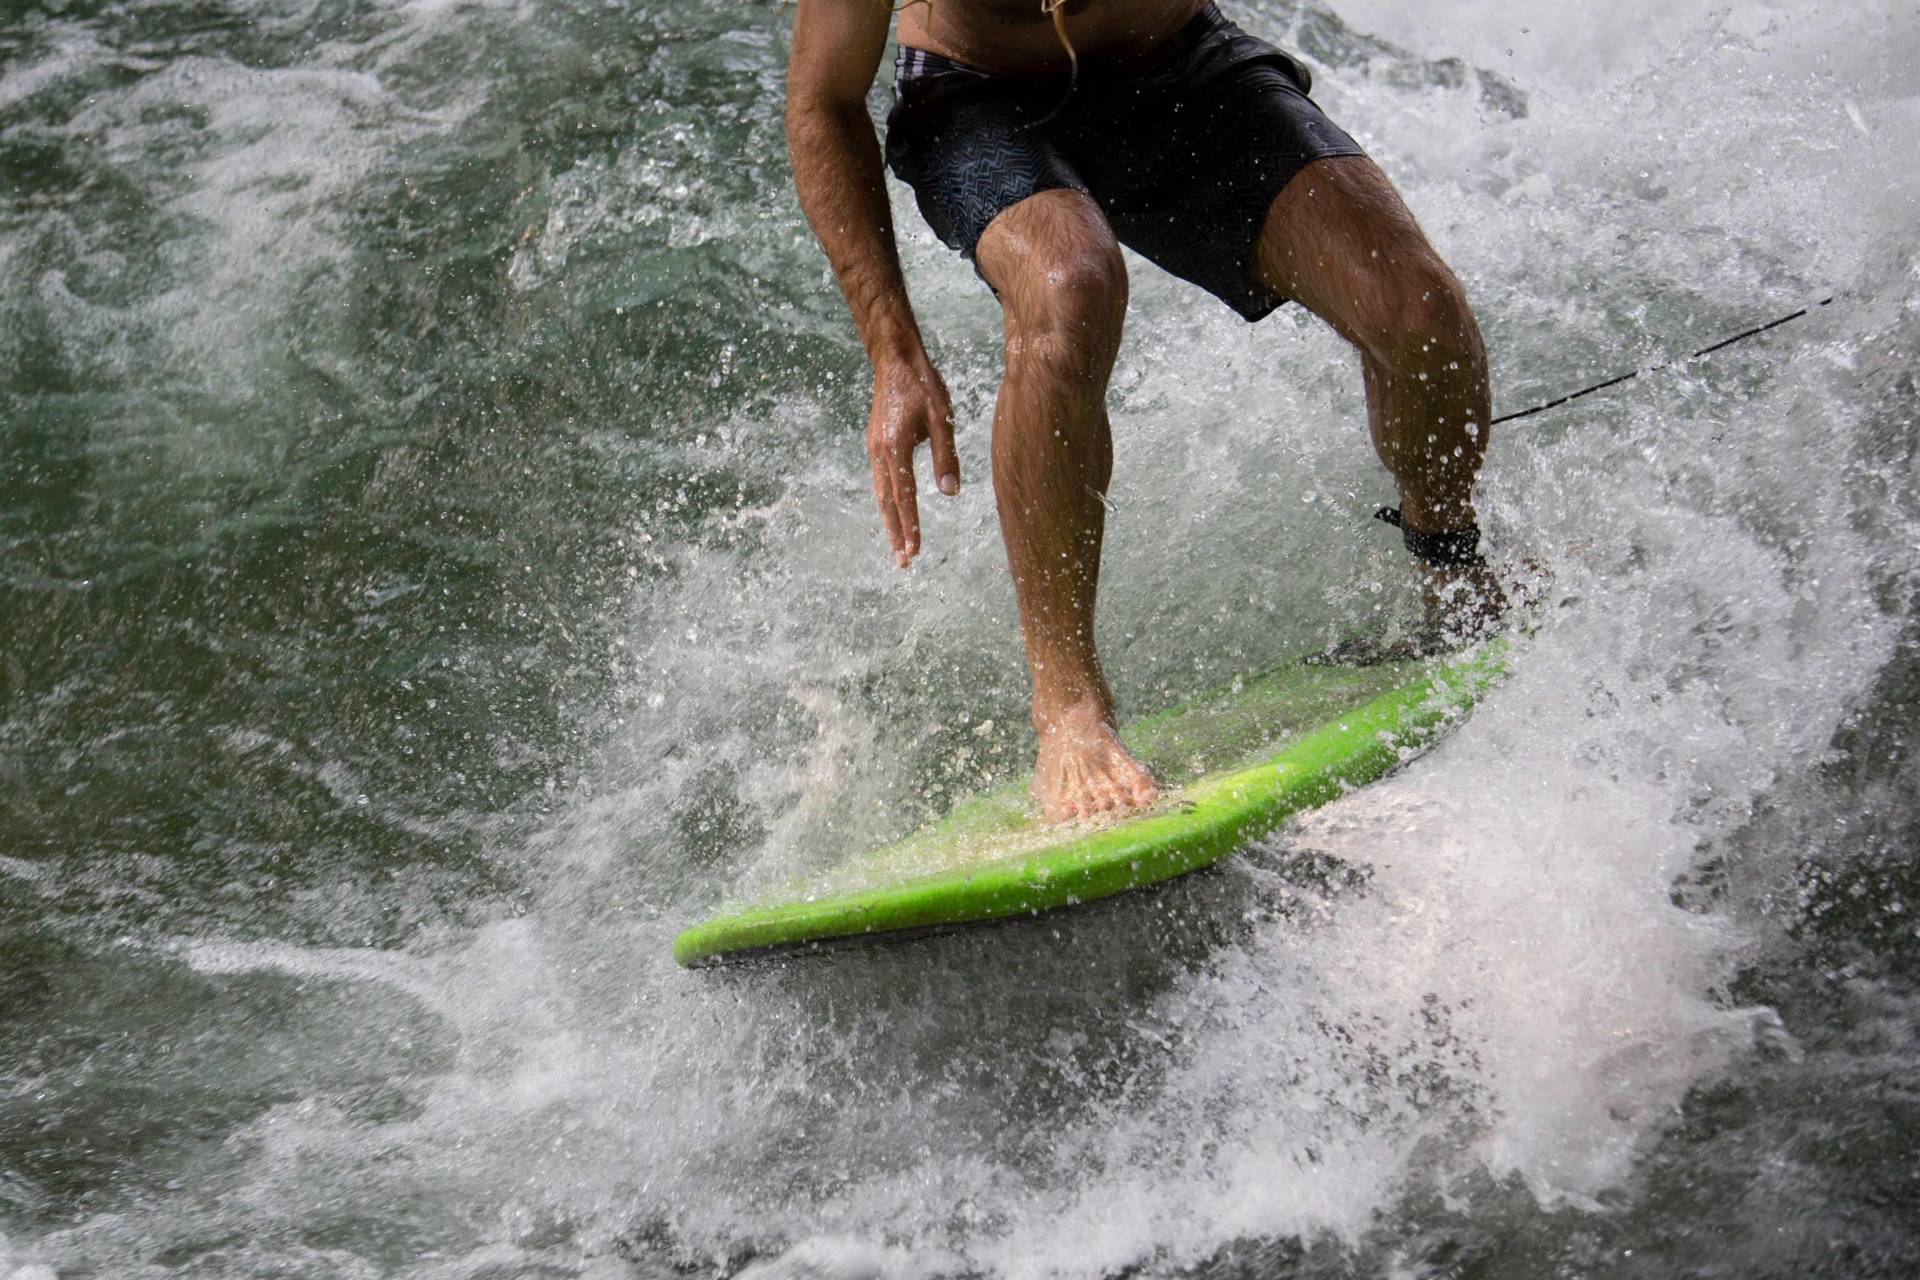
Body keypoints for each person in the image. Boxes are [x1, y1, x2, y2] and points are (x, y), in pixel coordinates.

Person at [786, 0, 1506, 822]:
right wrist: (894, 353)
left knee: (1418, 311)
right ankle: (1067, 709)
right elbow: (822, 101)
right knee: (1069, 289)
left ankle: (1447, 557)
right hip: (980, 97)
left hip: (1182, 62)